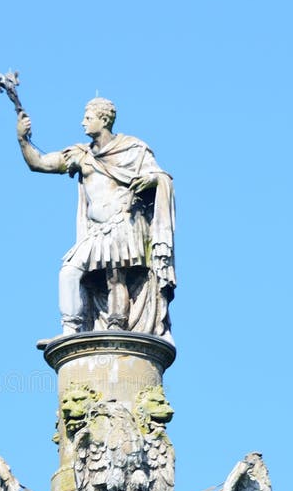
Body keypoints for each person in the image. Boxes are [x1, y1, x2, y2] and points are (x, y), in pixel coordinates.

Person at [16, 98, 175, 338]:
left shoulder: (133, 149)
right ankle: (70, 328)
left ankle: (117, 328)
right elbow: (40, 163)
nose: (82, 123)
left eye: (88, 117)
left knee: (115, 276)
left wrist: (152, 180)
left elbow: (161, 177)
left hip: (124, 224)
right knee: (69, 271)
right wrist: (23, 139)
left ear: (104, 119)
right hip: (96, 231)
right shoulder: (80, 154)